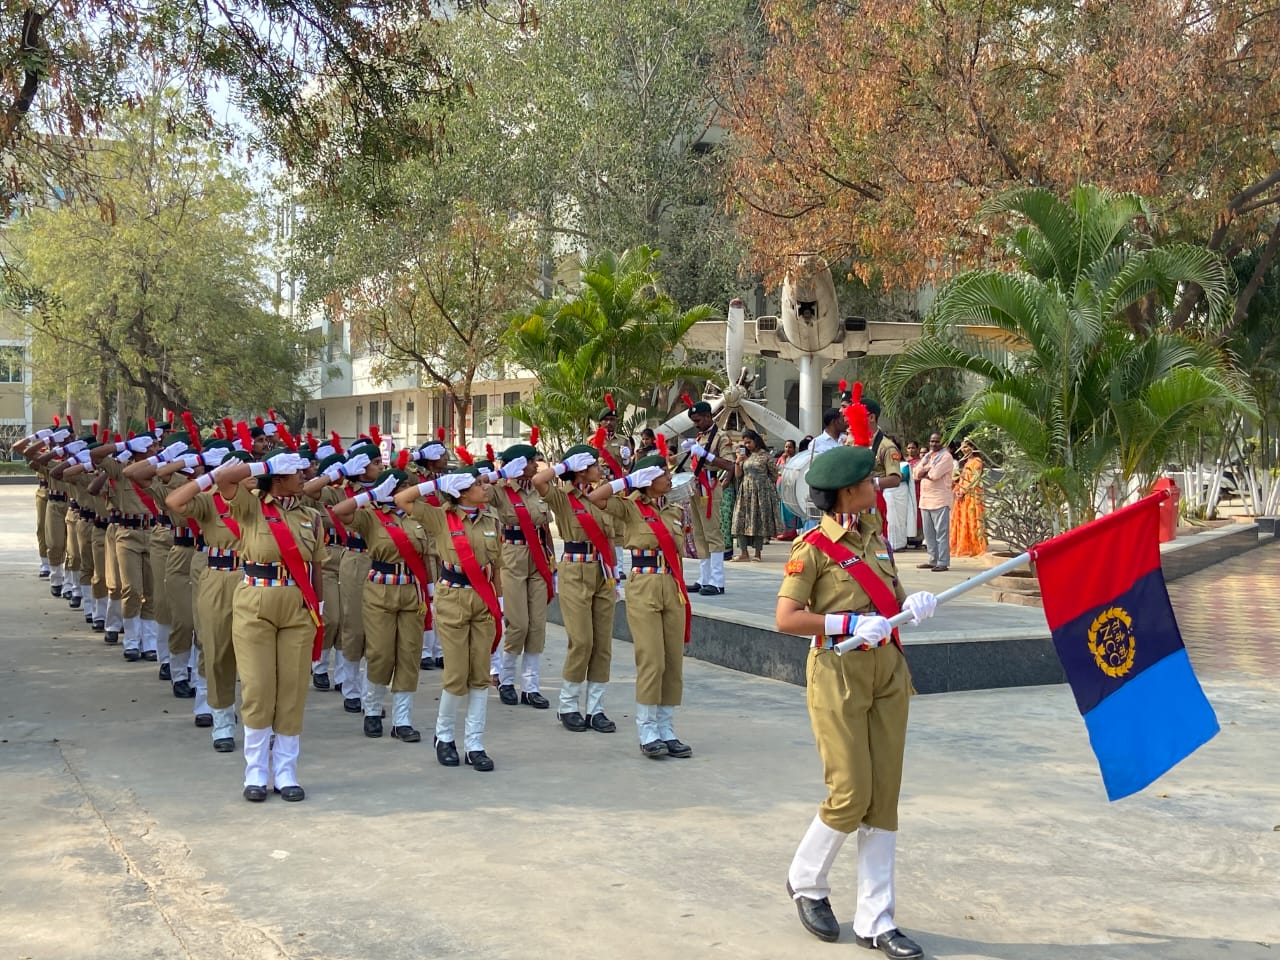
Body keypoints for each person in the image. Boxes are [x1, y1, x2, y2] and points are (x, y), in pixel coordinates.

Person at [774, 445, 937, 958]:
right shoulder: (814, 549)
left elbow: (888, 599)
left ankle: (877, 919)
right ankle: (806, 879)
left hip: (888, 669)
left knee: (882, 799)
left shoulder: (875, 538)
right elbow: (786, 617)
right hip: (838, 672)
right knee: (850, 794)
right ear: (848, 492)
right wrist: (843, 622)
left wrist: (912, 606)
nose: (879, 484)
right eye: (870, 480)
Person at [194, 449, 324, 802]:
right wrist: (263, 466)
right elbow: (224, 478)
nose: (304, 473)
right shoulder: (251, 507)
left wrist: (319, 606)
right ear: (279, 477)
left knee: (292, 689)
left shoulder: (312, 516)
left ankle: (286, 771)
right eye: (296, 470)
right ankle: (255, 771)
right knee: (259, 688)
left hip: (297, 605)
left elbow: (316, 569)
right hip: (255, 601)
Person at [395, 465, 504, 772]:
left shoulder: (491, 519)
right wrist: (438, 483)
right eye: (479, 484)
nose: (486, 487)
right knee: (456, 673)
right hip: (453, 597)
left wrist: (501, 601)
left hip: (483, 598)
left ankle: (475, 744)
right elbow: (403, 499)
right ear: (461, 491)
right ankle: (444, 738)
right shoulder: (440, 516)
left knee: (480, 673)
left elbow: (496, 565)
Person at [588, 457, 692, 759]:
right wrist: (629, 481)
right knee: (652, 660)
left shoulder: (673, 510)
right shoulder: (631, 507)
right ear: (649, 479)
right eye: (664, 474)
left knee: (673, 662)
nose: (671, 479)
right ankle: (647, 731)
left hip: (672, 586)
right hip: (644, 586)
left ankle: (666, 729)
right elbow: (596, 497)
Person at [330, 460, 431, 743]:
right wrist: (372, 494)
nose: (411, 491)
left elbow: (428, 556)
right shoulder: (371, 515)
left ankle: (402, 720)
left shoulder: (418, 516)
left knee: (409, 655)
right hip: (380, 591)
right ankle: (372, 711)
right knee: (380, 654)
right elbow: (338, 512)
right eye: (405, 487)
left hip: (412, 590)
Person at [531, 446, 619, 732]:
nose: (599, 467)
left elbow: (610, 538)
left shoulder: (603, 496)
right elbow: (538, 482)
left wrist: (615, 575)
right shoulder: (564, 498)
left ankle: (595, 708)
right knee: (581, 641)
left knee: (602, 644)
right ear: (581, 469)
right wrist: (564, 465)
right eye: (593, 464)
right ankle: (568, 705)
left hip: (602, 572)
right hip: (575, 571)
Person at [167, 440, 245, 752]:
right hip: (217, 575)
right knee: (216, 650)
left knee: (258, 658)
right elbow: (175, 502)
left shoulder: (261, 502)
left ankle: (259, 723)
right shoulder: (209, 499)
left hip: (256, 579)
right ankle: (222, 719)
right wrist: (209, 477)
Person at [486, 442, 555, 710]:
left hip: (538, 556)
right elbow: (468, 486)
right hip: (512, 556)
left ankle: (531, 687)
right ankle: (505, 680)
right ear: (517, 465)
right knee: (518, 624)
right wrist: (500, 473)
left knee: (537, 625)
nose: (536, 465)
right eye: (530, 461)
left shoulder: (539, 489)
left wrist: (552, 561)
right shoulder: (500, 491)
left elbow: (545, 527)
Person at [681, 400, 735, 596]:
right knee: (699, 534)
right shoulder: (701, 436)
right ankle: (704, 578)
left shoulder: (721, 437)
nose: (696, 424)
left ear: (708, 417)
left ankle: (717, 581)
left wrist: (707, 456)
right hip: (697, 487)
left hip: (710, 487)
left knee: (713, 533)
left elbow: (730, 465)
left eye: (698, 420)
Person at [731, 429, 782, 561]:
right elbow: (738, 475)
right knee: (740, 520)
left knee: (758, 521)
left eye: (749, 442)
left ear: (756, 441)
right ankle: (743, 552)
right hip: (745, 491)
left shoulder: (765, 456)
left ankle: (757, 554)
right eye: (745, 443)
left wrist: (764, 486)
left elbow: (774, 474)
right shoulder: (744, 456)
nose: (747, 445)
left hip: (761, 492)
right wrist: (738, 462)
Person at [912, 434, 955, 572]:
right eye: (932, 441)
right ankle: (932, 560)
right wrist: (925, 470)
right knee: (929, 534)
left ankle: (943, 562)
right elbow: (915, 473)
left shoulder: (946, 457)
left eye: (937, 441)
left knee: (941, 534)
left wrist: (924, 471)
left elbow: (935, 475)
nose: (934, 443)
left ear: (943, 442)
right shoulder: (928, 456)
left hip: (940, 499)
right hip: (925, 500)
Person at [950, 438, 988, 557]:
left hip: (973, 495)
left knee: (972, 520)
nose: (964, 449)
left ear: (973, 447)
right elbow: (961, 479)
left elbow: (974, 480)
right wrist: (957, 490)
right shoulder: (965, 462)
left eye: (966, 447)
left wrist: (963, 491)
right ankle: (964, 546)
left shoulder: (977, 461)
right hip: (962, 495)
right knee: (961, 520)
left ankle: (975, 548)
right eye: (963, 447)